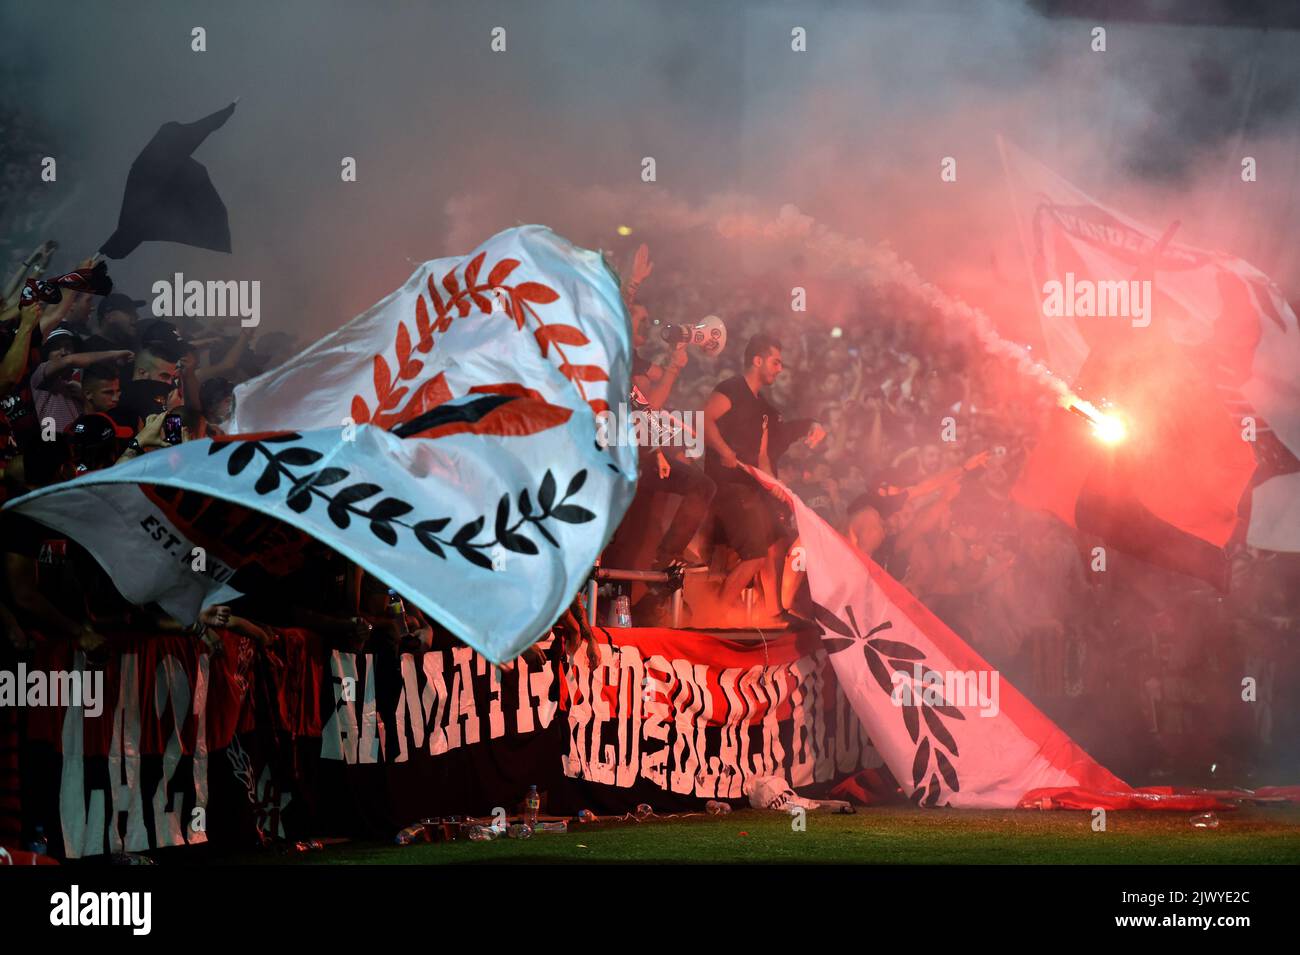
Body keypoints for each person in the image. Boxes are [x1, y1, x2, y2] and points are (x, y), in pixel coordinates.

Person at [704, 334, 825, 618]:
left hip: (750, 489)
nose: (780, 369)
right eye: (776, 362)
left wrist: (776, 486)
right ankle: (716, 615)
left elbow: (761, 458)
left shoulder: (763, 409)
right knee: (755, 555)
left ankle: (772, 610)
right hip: (726, 487)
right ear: (757, 361)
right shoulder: (730, 389)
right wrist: (723, 450)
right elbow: (704, 418)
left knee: (776, 538)